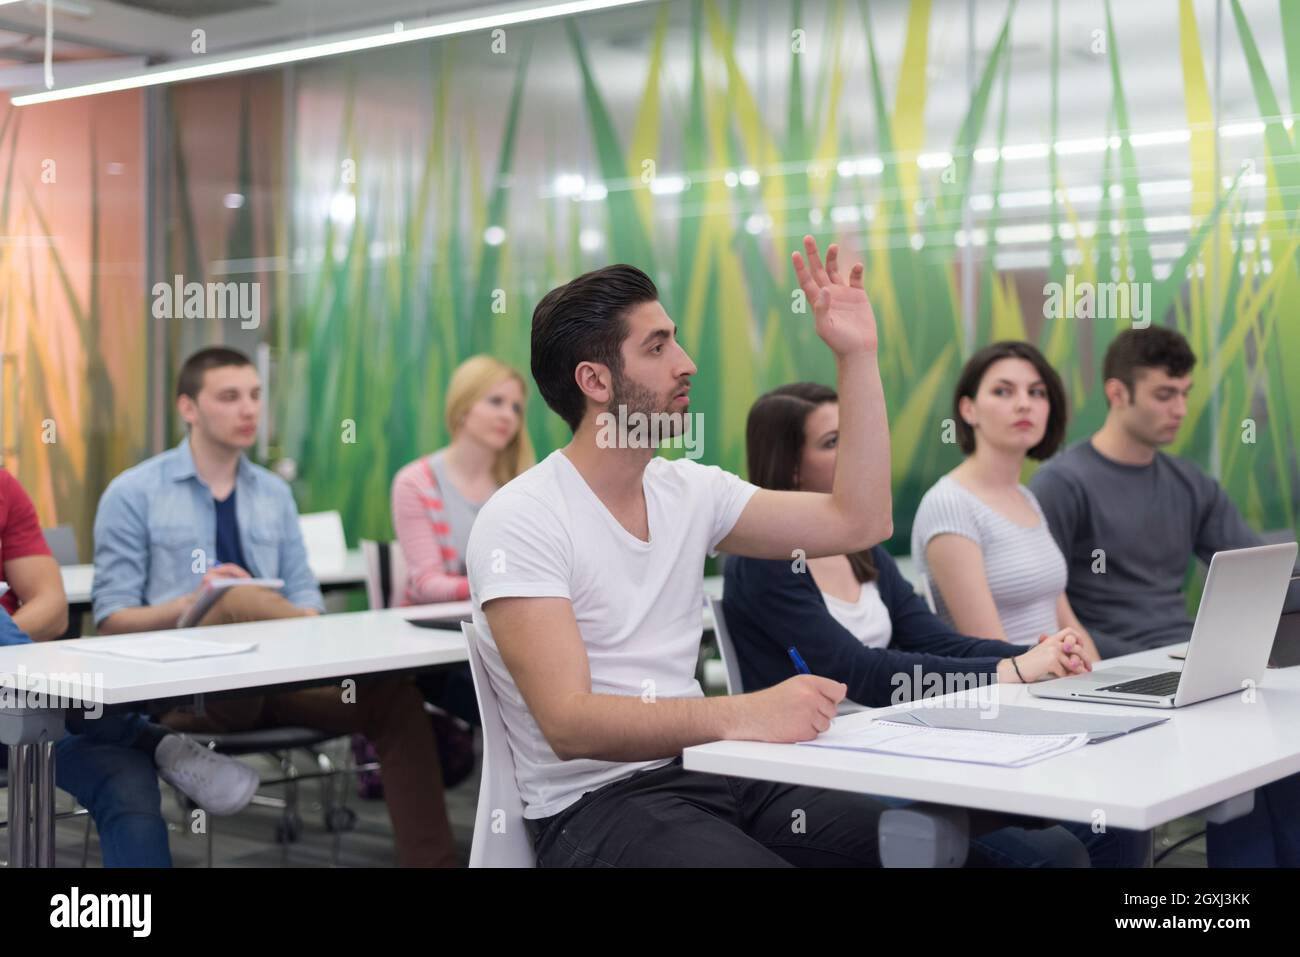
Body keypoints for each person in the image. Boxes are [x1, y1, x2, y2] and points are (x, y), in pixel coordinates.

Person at [471, 237, 977, 867]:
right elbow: (570, 723)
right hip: (596, 806)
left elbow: (860, 519)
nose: (686, 363)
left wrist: (858, 355)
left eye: (674, 339)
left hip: (712, 772)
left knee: (934, 847)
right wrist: (745, 714)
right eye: (657, 347)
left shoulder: (690, 489)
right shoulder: (523, 517)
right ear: (595, 380)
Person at [723, 382, 1145, 867]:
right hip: (820, 770)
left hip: (901, 742)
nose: (856, 454)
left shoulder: (861, 548)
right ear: (791, 466)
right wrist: (1010, 671)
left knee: (1112, 821)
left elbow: (934, 639)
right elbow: (858, 671)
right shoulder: (762, 562)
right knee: (1054, 853)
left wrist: (1026, 657)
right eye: (833, 442)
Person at [92, 346, 458, 867]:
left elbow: (306, 600)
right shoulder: (133, 493)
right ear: (189, 409)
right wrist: (199, 602)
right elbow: (111, 621)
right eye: (229, 396)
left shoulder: (273, 493)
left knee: (394, 700)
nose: (249, 409)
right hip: (189, 690)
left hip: (273, 678)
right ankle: (350, 651)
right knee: (233, 595)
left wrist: (299, 624)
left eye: (256, 396)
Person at [1029, 326, 1300, 867]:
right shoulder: (1063, 484)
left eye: (1184, 393)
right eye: (1163, 394)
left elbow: (1261, 572)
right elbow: (1042, 599)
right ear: (1116, 393)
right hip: (1111, 670)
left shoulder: (1190, 484)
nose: (1179, 408)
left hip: (1185, 662)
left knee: (1282, 757)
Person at [0, 468, 254, 867]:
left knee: (124, 774)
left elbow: (52, 609)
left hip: (23, 710)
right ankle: (145, 736)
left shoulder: (3, 487)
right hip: (34, 701)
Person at [911, 341, 1101, 660]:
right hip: (1007, 692)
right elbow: (989, 651)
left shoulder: (1027, 498)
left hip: (1059, 681)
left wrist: (1102, 682)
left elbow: (1068, 623)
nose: (1024, 404)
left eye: (1037, 393)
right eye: (1003, 391)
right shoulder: (949, 503)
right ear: (968, 409)